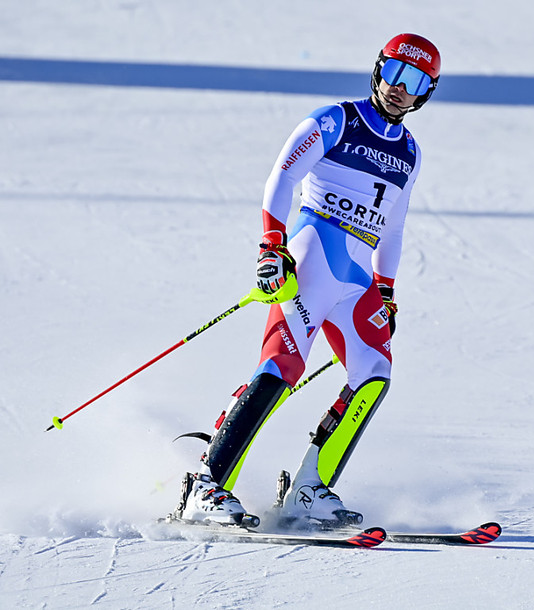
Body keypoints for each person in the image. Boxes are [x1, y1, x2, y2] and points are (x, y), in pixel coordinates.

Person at [173, 33, 441, 529]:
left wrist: (387, 289)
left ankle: (309, 490)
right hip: (314, 251)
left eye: (417, 81)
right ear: (379, 69)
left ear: (427, 91)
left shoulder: (409, 151)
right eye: (397, 73)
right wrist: (271, 245)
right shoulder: (337, 119)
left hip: (359, 275)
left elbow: (396, 226)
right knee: (283, 366)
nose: (401, 88)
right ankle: (206, 485)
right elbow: (281, 178)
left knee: (375, 374)